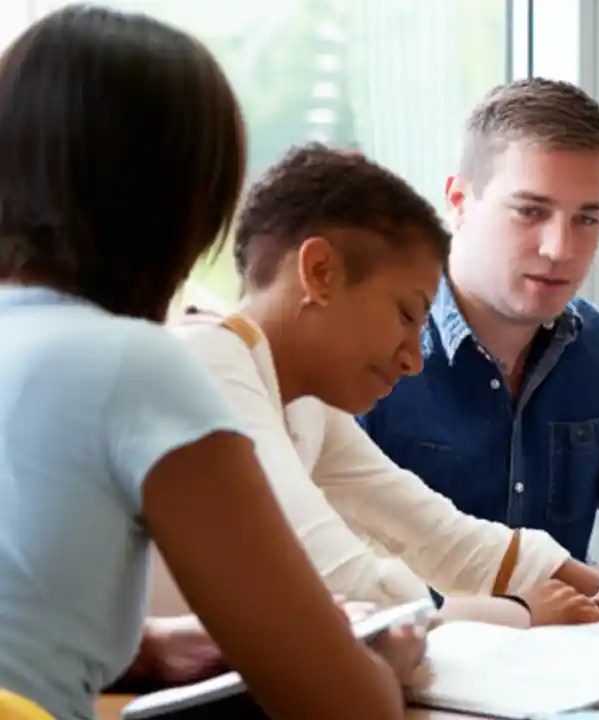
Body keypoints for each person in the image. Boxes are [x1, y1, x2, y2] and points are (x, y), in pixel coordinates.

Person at [0, 6, 422, 720]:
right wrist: (380, 665)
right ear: (185, 208)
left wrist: (146, 645)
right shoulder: (137, 369)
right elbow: (345, 706)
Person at [171, 143, 599, 625]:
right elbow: (360, 600)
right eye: (408, 315)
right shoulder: (210, 365)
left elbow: (443, 534)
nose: (414, 358)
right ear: (319, 274)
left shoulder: (304, 402)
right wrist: (555, 613)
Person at [359, 78, 599, 561]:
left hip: (574, 636)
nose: (559, 249)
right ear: (459, 202)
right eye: (529, 211)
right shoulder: (372, 349)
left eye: (586, 219)